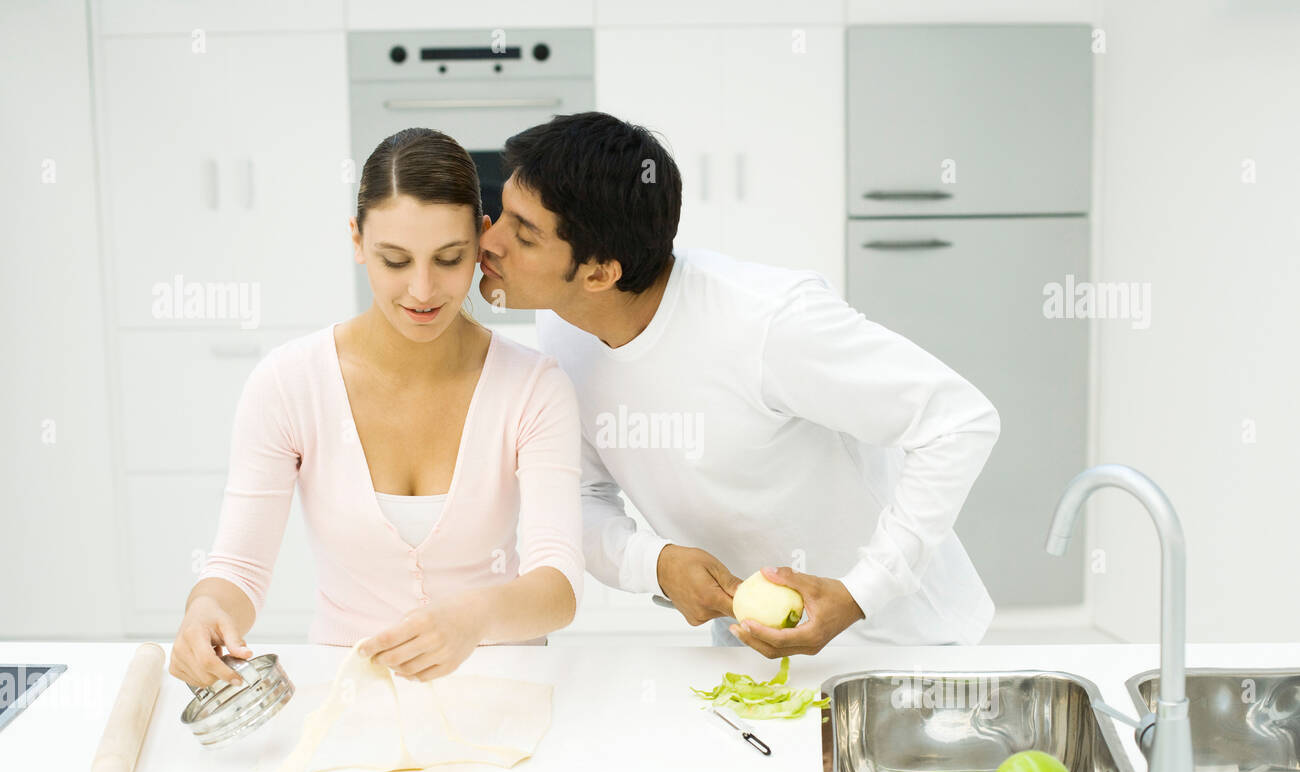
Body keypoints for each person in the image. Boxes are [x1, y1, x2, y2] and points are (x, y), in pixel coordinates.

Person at [475, 111, 1001, 655]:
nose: (491, 241)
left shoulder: (768, 322)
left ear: (600, 273)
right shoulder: (562, 323)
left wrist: (860, 593)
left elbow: (959, 421)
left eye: (526, 234)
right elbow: (581, 495)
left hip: (904, 641)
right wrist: (653, 565)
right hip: (752, 646)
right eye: (504, 212)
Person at [169, 128, 584, 690]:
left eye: (449, 258)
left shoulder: (532, 387)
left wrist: (474, 618)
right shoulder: (289, 383)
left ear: (482, 241)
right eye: (394, 260)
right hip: (346, 692)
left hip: (502, 685)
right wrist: (205, 612)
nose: (422, 289)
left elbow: (557, 585)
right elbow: (237, 571)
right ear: (358, 242)